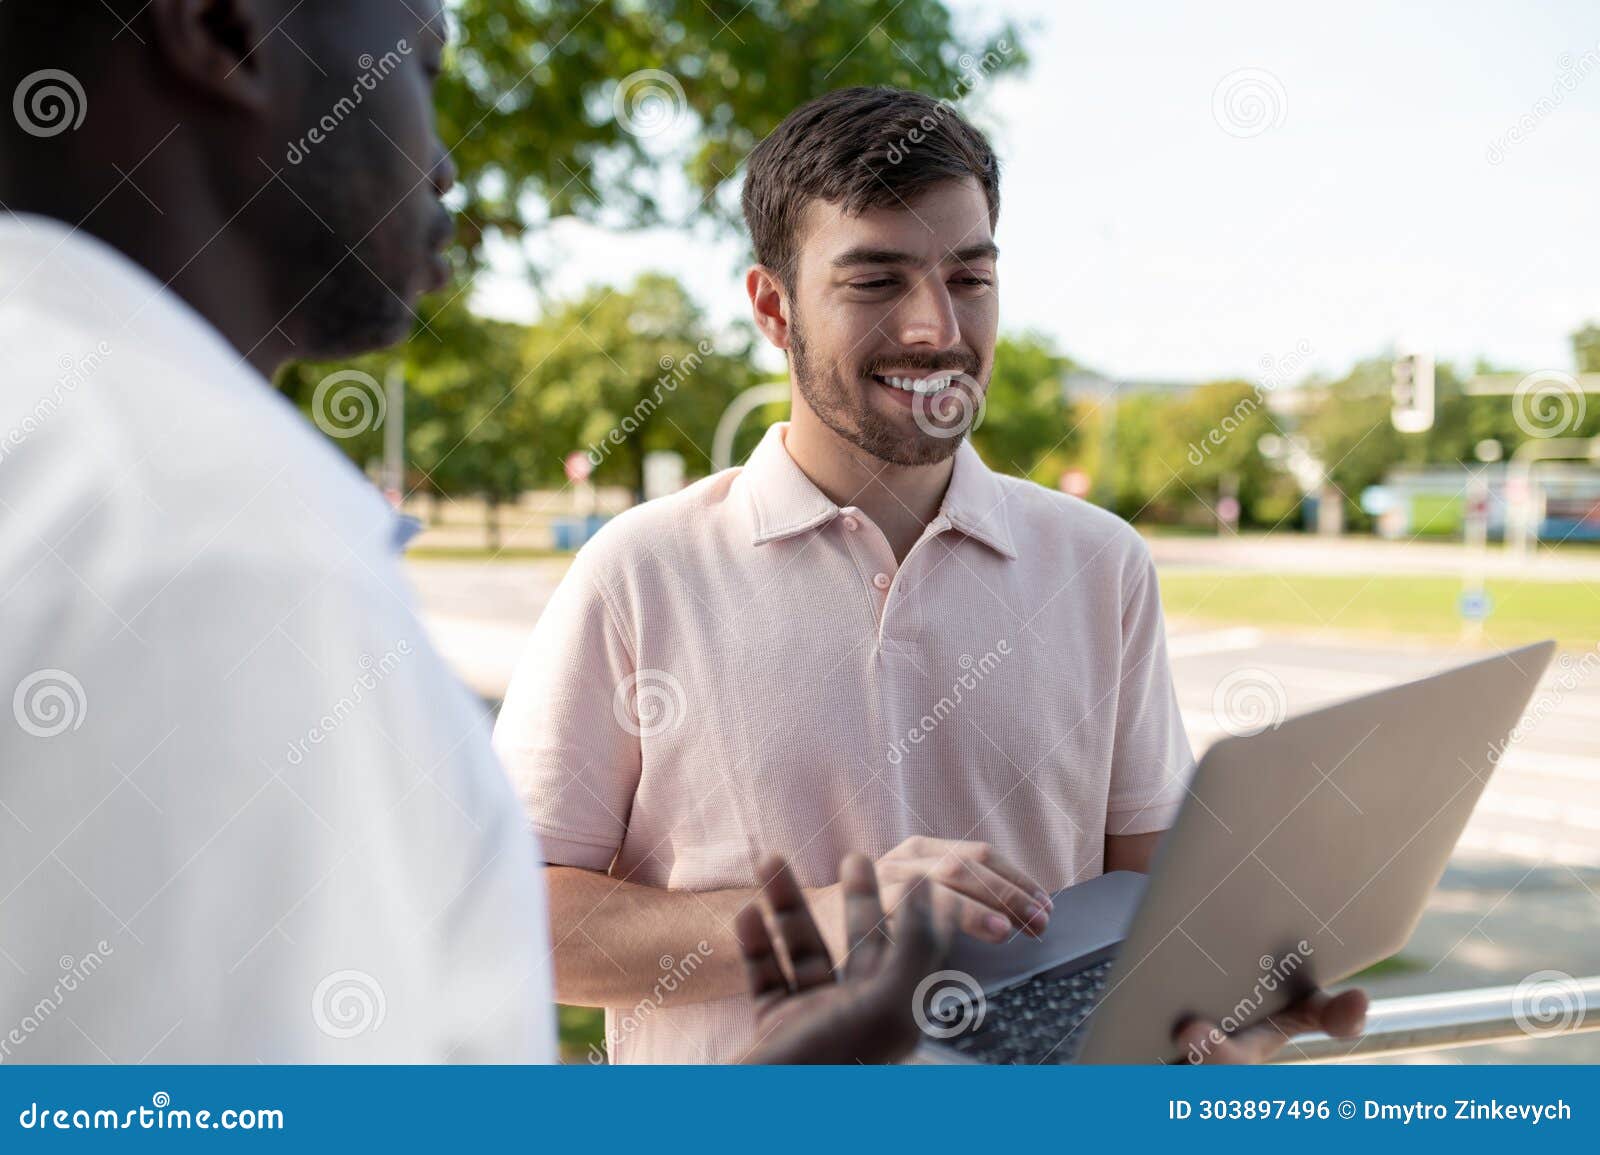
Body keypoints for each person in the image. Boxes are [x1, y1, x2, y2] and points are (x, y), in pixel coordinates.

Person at [493, 86, 1368, 1064]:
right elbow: (512, 919)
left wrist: (1224, 1017)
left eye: (969, 277)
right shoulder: (638, 571)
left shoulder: (1101, 564)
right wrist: (842, 919)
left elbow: (1148, 904)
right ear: (773, 308)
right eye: (876, 281)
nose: (934, 327)